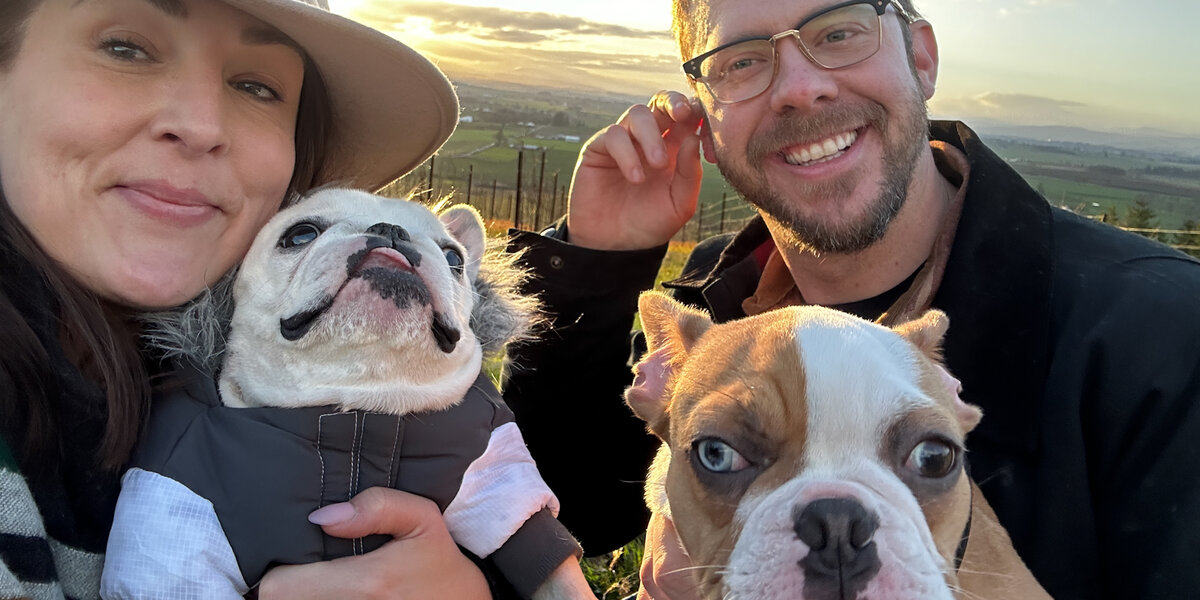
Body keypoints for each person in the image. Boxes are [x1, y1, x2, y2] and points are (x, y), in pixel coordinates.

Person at [502, 0, 1200, 598]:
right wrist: (597, 261)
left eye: (839, 32)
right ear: (705, 124)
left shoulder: (1165, 335)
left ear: (922, 56)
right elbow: (576, 510)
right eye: (741, 61)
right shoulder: (722, 294)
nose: (801, 88)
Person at [0, 0, 500, 597]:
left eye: (257, 86)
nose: (202, 125)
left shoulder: (260, 339)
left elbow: (499, 479)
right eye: (126, 48)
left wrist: (598, 256)